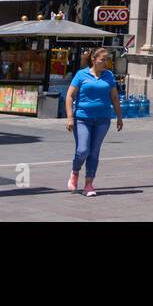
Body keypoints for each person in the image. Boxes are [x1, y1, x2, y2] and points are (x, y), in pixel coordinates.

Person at [65, 46, 123, 197]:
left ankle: (88, 185)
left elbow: (115, 97)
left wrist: (119, 117)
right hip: (82, 118)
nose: (105, 63)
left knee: (94, 152)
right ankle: (75, 171)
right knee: (83, 150)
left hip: (102, 119)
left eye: (107, 60)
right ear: (94, 59)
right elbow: (70, 96)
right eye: (102, 59)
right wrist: (70, 117)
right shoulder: (81, 74)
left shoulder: (109, 76)